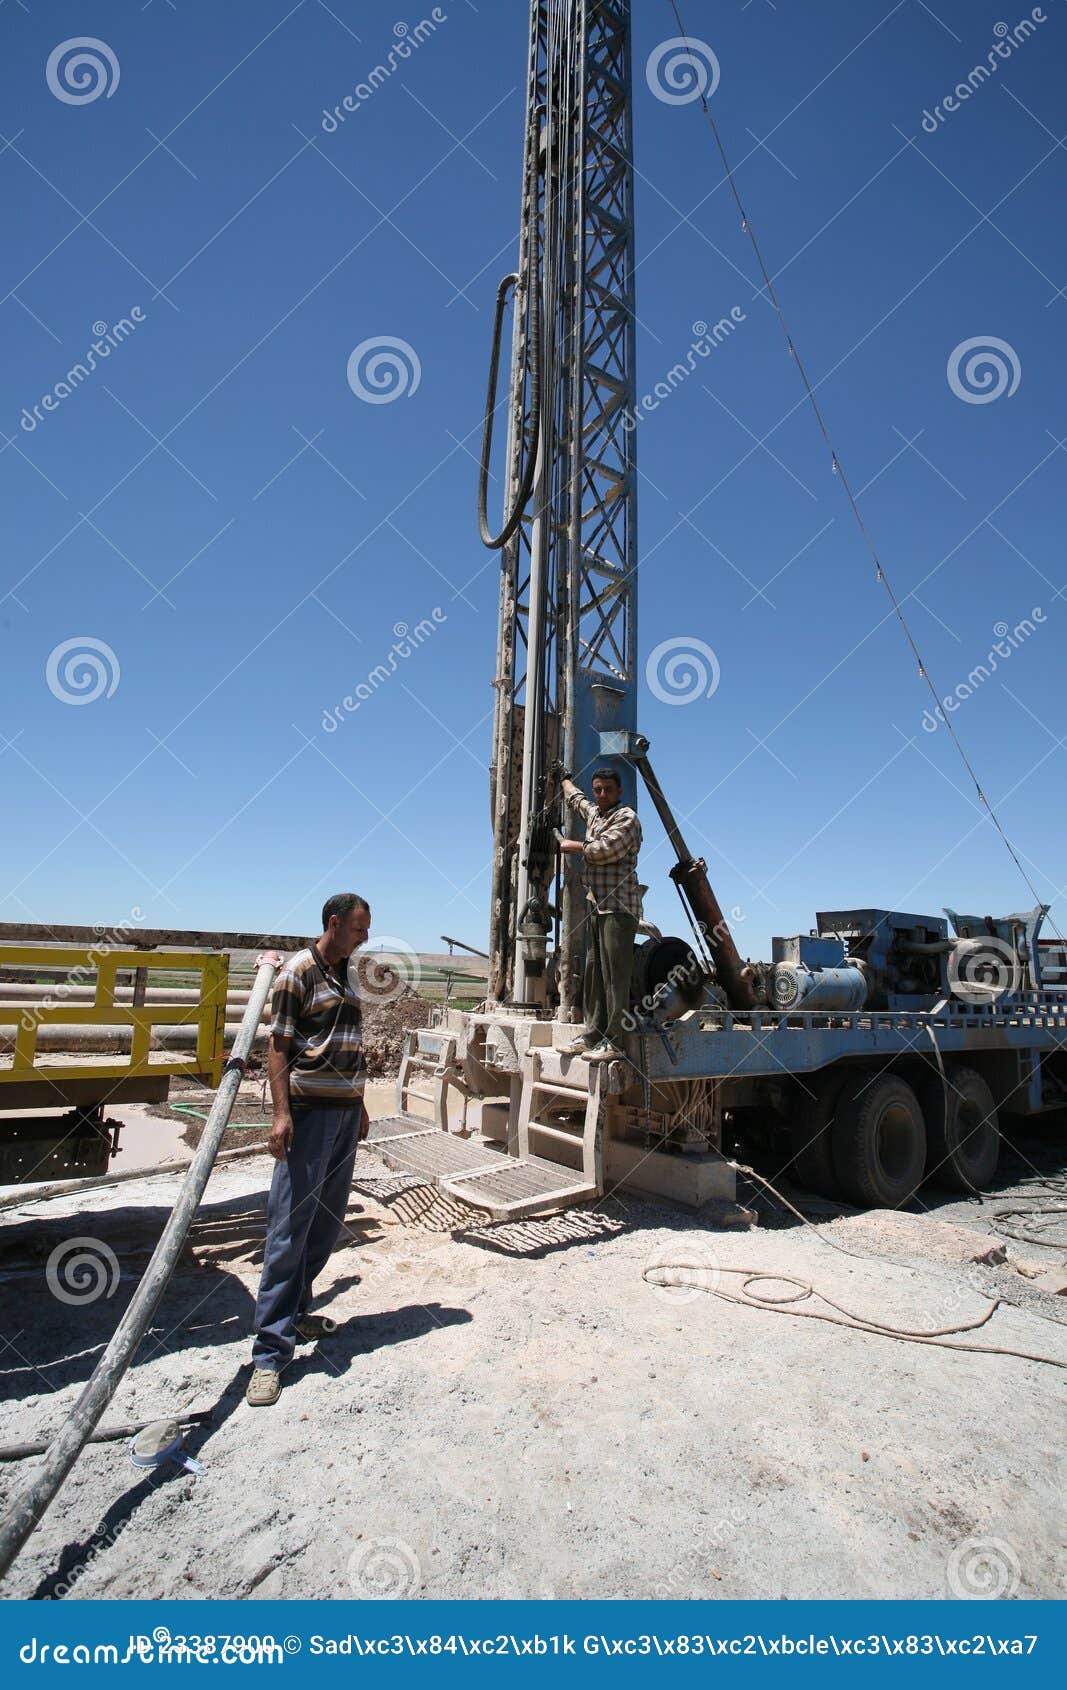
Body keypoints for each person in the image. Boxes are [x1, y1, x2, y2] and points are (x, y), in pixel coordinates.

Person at [247, 893, 371, 1407]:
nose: (366, 936)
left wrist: (360, 1105)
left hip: (344, 1116)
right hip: (309, 1115)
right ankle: (269, 1356)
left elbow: (352, 1042)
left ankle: (297, 1315)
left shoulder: (350, 974)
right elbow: (277, 1046)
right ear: (335, 923)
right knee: (288, 1231)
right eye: (360, 927)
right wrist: (280, 1115)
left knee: (325, 1225)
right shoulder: (297, 973)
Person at [558, 767, 643, 1061]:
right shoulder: (596, 813)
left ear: (619, 792)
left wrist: (574, 846)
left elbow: (605, 849)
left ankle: (616, 1041)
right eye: (598, 789)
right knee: (594, 973)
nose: (602, 794)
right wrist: (564, 780)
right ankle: (593, 1034)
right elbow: (578, 801)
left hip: (619, 908)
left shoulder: (626, 818)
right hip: (598, 906)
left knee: (614, 978)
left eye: (608, 789)